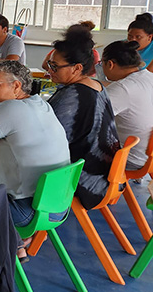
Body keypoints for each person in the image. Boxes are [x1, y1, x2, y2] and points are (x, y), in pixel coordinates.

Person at [0, 61, 71, 228]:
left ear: (16, 86)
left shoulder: (10, 108)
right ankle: (16, 243)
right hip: (57, 206)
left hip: (25, 211)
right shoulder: (42, 105)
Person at [46, 29, 120, 210]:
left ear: (77, 68)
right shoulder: (97, 86)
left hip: (86, 180)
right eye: (50, 64)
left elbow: (45, 136)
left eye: (55, 66)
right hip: (106, 174)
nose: (49, 70)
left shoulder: (72, 95)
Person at [102, 40, 153, 170]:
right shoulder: (148, 77)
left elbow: (91, 118)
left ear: (110, 64)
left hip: (132, 158)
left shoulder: (122, 88)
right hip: (149, 155)